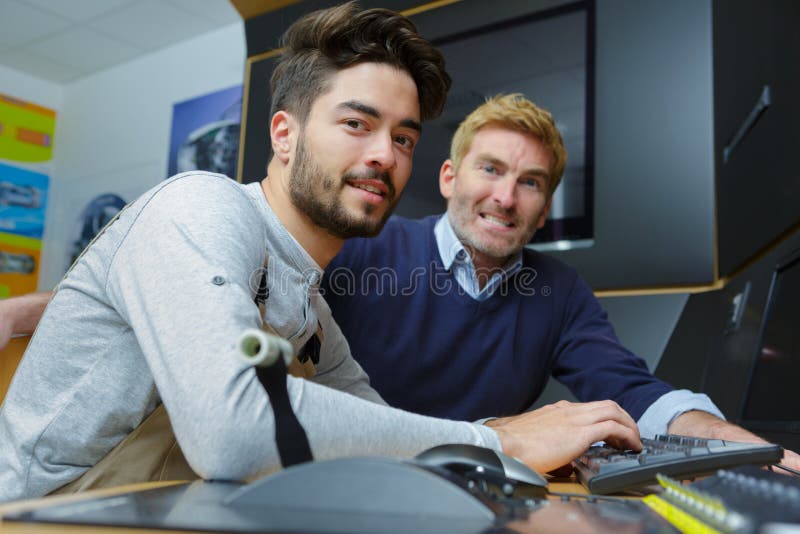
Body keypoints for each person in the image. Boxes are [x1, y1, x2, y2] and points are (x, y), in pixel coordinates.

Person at [0, 3, 642, 503]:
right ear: (285, 133)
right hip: (40, 516)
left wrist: (520, 441)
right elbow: (232, 426)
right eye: (356, 123)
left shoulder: (309, 308)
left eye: (404, 137)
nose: (384, 156)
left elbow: (381, 432)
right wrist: (496, 439)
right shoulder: (200, 204)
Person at [320, 93, 800, 468]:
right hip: (348, 479)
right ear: (449, 177)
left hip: (481, 501)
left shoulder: (560, 291)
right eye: (490, 169)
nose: (506, 197)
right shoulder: (361, 245)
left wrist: (755, 455)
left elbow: (634, 391)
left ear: (545, 209)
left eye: (530, 182)